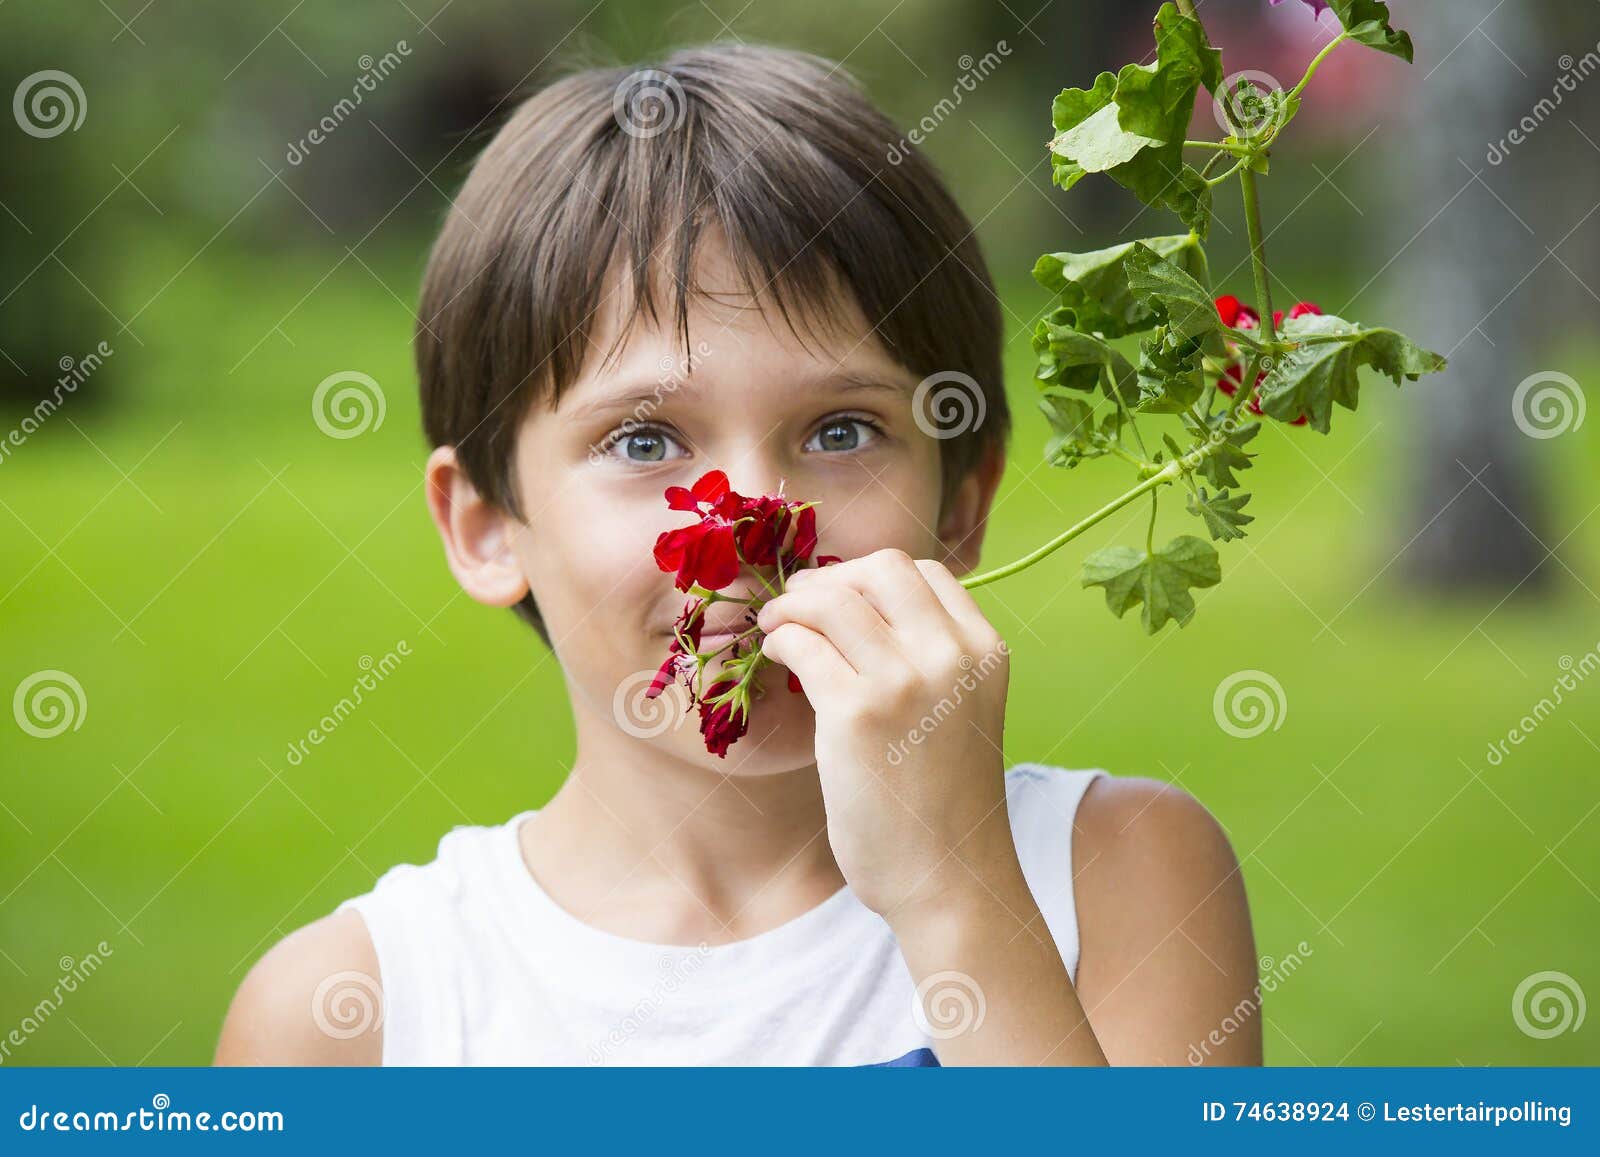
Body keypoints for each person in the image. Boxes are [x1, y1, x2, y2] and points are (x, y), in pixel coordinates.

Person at [215, 42, 1259, 1067]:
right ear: (486, 525)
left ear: (960, 505)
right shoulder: (354, 1016)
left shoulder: (1117, 871)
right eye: (643, 441)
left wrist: (952, 886)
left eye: (840, 430)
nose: (761, 518)